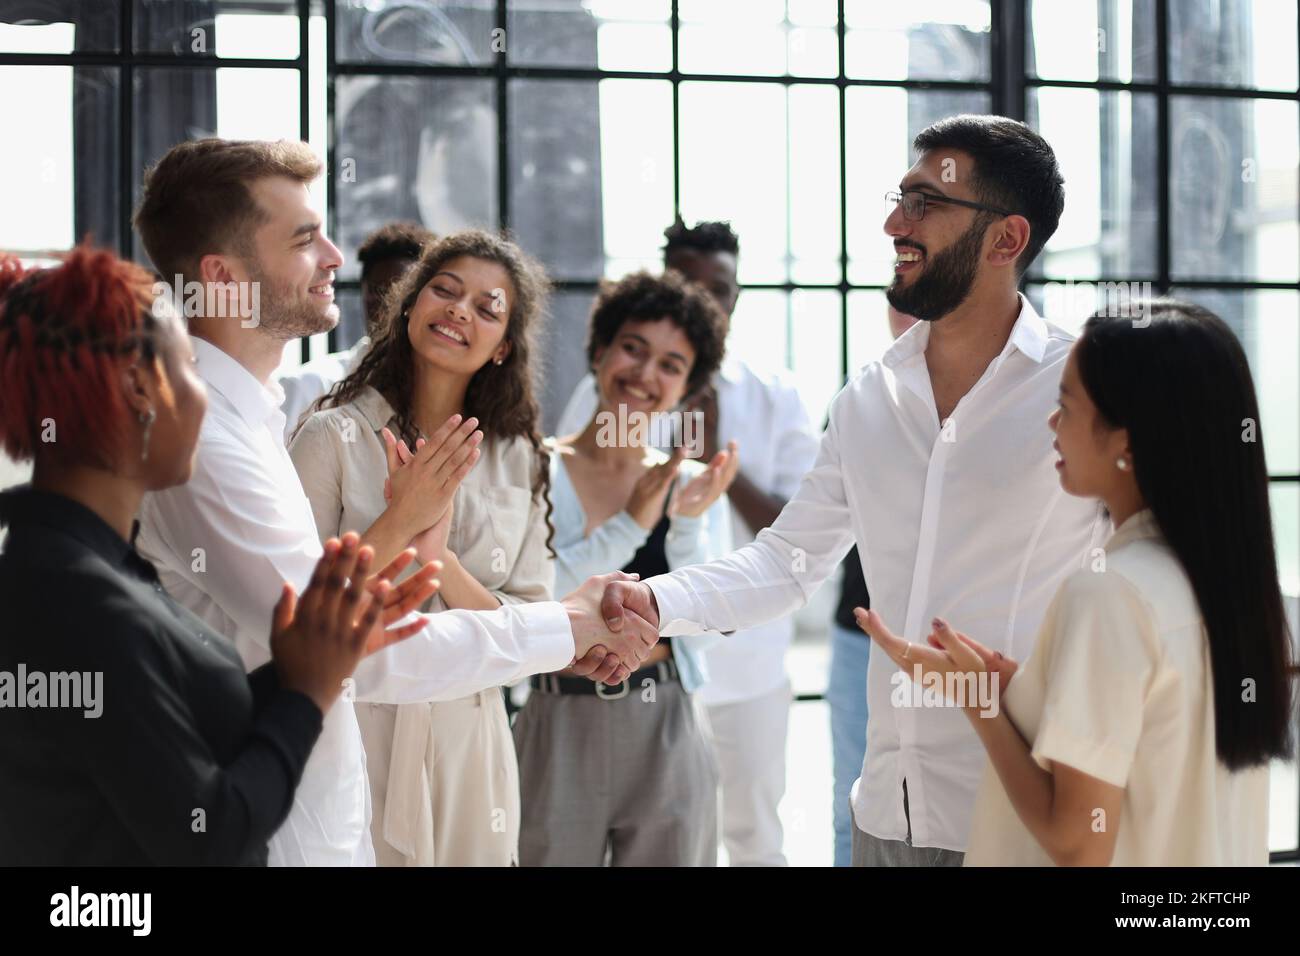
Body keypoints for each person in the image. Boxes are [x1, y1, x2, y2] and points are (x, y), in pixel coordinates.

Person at [594, 115, 1111, 866]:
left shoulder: (1084, 389)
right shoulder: (868, 397)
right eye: (900, 198)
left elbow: (1152, 576)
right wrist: (654, 601)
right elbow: (786, 563)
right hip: (885, 817)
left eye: (926, 203)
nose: (895, 224)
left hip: (1024, 819)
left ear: (1006, 240)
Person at [130, 137, 660, 867]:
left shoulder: (256, 418)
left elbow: (347, 626)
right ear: (223, 277)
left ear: (505, 345)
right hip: (299, 805)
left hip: (411, 767)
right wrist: (564, 626)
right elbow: (336, 643)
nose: (335, 259)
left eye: (487, 308)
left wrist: (554, 621)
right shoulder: (222, 440)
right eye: (304, 239)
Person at [0, 246, 433, 864]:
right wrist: (305, 692)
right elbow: (208, 830)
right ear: (140, 389)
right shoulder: (82, 599)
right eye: (188, 369)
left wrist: (308, 658)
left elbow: (159, 747)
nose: (203, 399)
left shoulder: (73, 568)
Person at [859, 300, 1295, 865]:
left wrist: (979, 704)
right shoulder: (1223, 587)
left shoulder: (1110, 595)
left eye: (1065, 406)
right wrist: (1022, 690)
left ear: (1126, 440)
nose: (1051, 424)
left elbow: (1078, 842)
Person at [290, 230, 558, 866]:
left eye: (487, 308)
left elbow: (529, 634)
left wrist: (442, 566)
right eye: (445, 290)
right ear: (410, 304)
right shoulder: (330, 437)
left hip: (473, 743)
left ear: (504, 346)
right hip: (355, 730)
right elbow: (297, 611)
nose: (461, 310)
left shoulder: (519, 458)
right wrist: (400, 521)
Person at [558, 219, 819, 867]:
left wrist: (712, 468)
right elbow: (571, 502)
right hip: (627, 670)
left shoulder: (777, 395)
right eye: (687, 283)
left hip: (747, 661)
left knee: (755, 837)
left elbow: (799, 529)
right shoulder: (610, 393)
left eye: (718, 288)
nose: (704, 300)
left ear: (737, 296)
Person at [515, 270, 739, 866]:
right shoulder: (534, 469)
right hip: (555, 716)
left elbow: (706, 626)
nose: (644, 374)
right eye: (633, 348)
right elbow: (535, 599)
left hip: (665, 720)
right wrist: (634, 524)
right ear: (599, 351)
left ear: (687, 387)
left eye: (671, 364)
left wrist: (684, 524)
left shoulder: (691, 485)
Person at [827, 304, 917, 867]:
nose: (905, 314)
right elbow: (809, 532)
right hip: (858, 635)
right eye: (897, 297)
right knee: (853, 803)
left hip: (951, 647)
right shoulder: (861, 398)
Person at [278, 221, 433, 441]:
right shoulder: (309, 387)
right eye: (381, 291)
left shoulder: (457, 397)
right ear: (363, 292)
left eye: (405, 295)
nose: (391, 304)